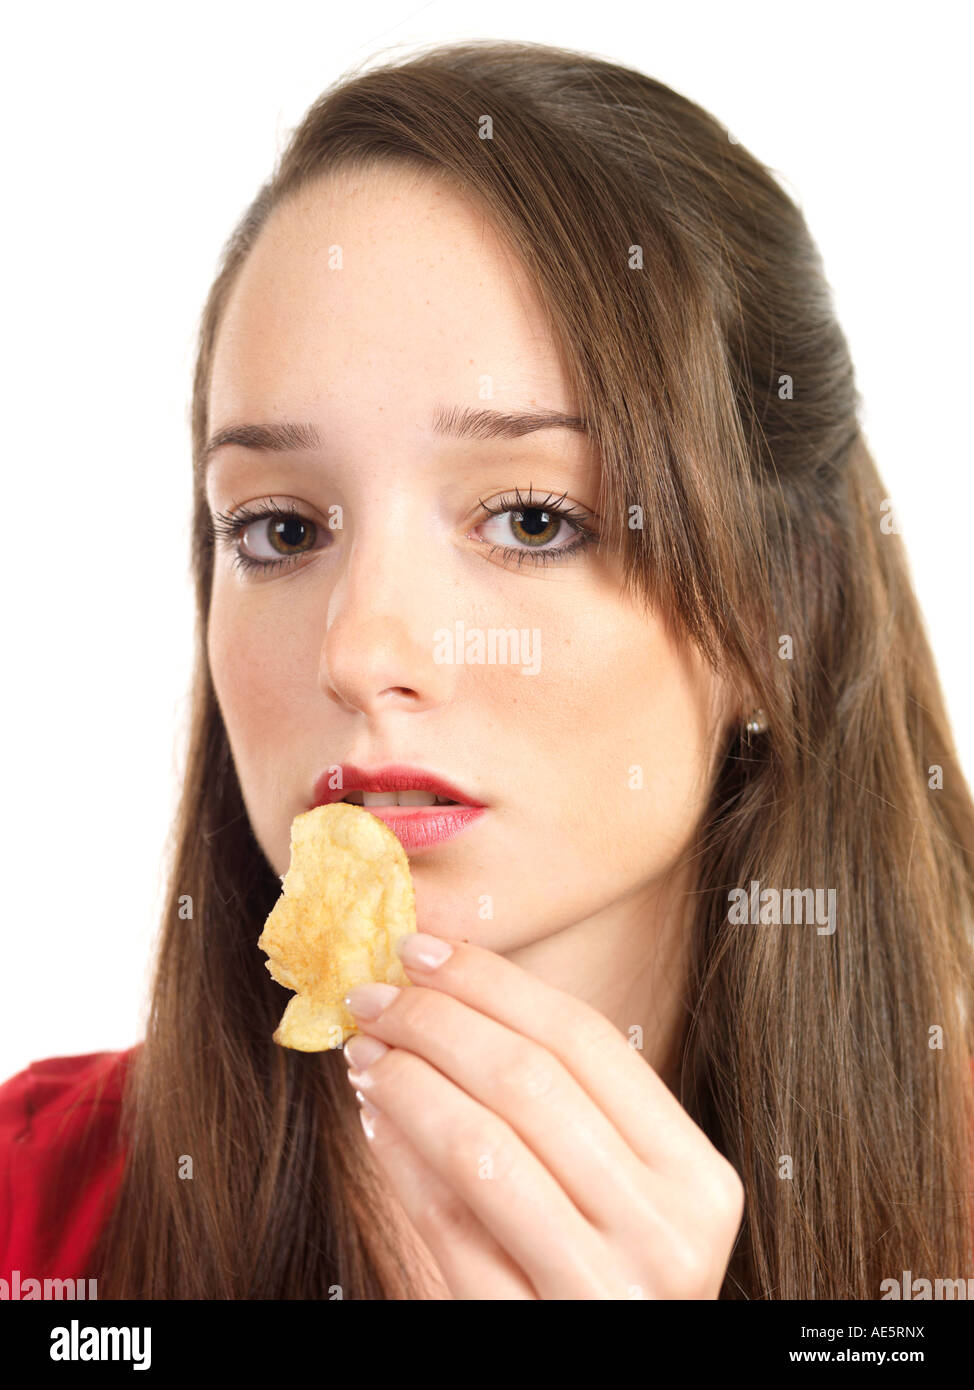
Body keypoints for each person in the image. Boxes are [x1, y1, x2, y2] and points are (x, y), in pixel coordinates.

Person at [3, 38, 972, 1300]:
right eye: (281, 530)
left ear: (781, 603)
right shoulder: (34, 1222)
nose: (360, 653)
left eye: (528, 519)